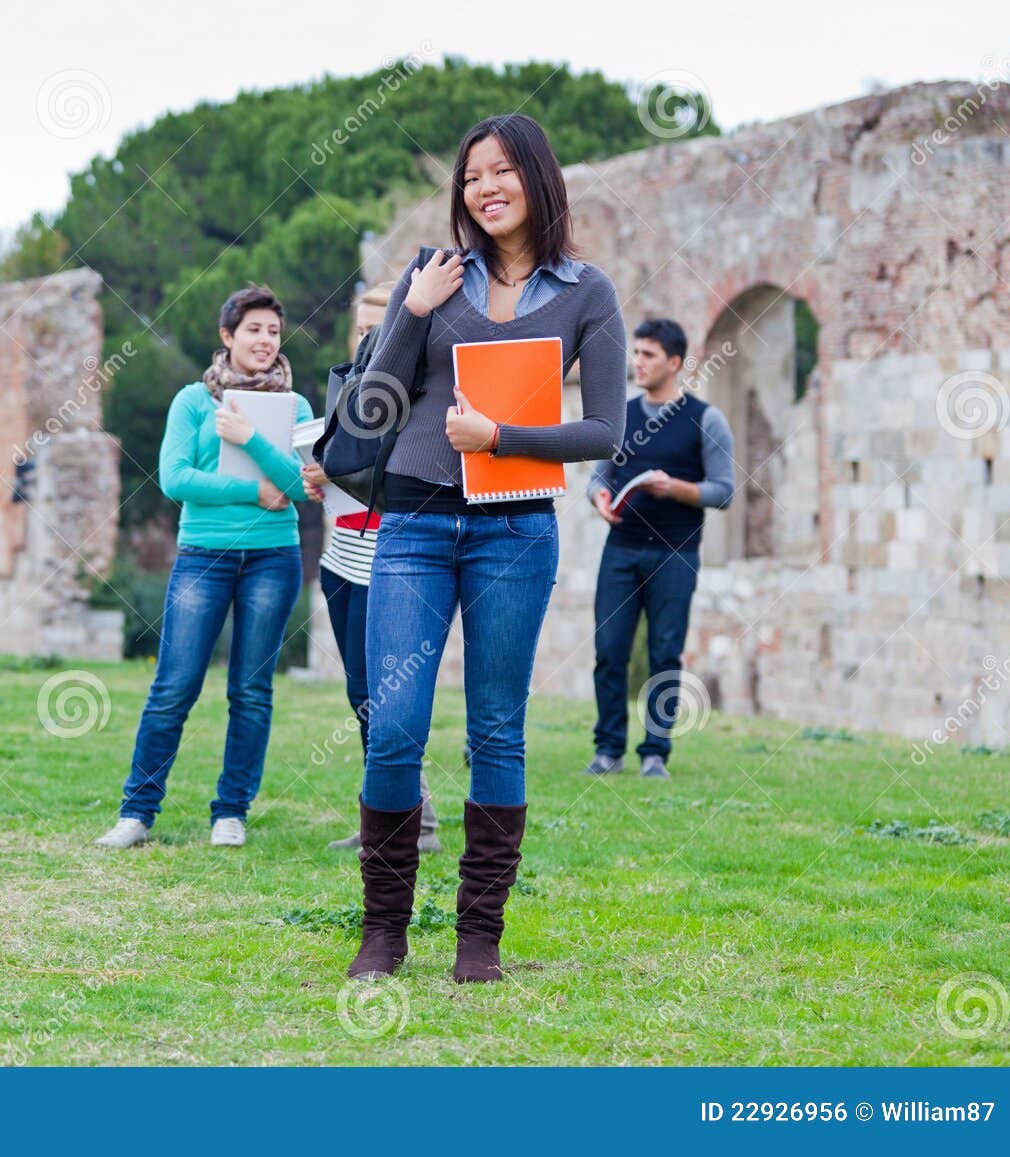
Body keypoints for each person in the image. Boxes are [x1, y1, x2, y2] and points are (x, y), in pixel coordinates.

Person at [347, 113, 626, 983]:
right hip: (416, 526)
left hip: (515, 531)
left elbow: (606, 429)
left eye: (503, 171)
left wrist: (501, 433)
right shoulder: (430, 276)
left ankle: (479, 937)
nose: (486, 188)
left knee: (496, 731)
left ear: (539, 180)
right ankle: (385, 930)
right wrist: (412, 313)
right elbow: (374, 404)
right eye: (472, 177)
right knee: (393, 729)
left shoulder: (588, 292)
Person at [96, 285, 317, 849]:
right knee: (174, 685)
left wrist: (250, 441)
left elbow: (301, 487)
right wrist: (252, 489)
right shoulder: (194, 401)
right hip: (203, 558)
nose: (265, 341)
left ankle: (231, 813)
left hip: (274, 559)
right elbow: (175, 480)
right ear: (228, 336)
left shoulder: (295, 407)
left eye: (273, 331)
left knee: (250, 690)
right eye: (254, 330)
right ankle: (137, 812)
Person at [308, 283, 441, 855]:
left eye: (378, 324)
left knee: (384, 698)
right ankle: (395, 819)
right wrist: (317, 476)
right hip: (340, 559)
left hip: (387, 562)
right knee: (361, 693)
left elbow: (396, 478)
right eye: (362, 326)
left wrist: (334, 471)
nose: (369, 334)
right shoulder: (352, 388)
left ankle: (408, 826)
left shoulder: (417, 390)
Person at [585, 318, 734, 780]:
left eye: (648, 355)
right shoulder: (621, 415)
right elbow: (597, 478)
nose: (638, 362)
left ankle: (655, 752)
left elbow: (724, 491)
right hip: (621, 550)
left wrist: (678, 490)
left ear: (674, 362)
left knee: (665, 654)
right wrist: (599, 499)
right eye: (636, 353)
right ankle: (608, 750)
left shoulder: (706, 420)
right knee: (610, 651)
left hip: (676, 553)